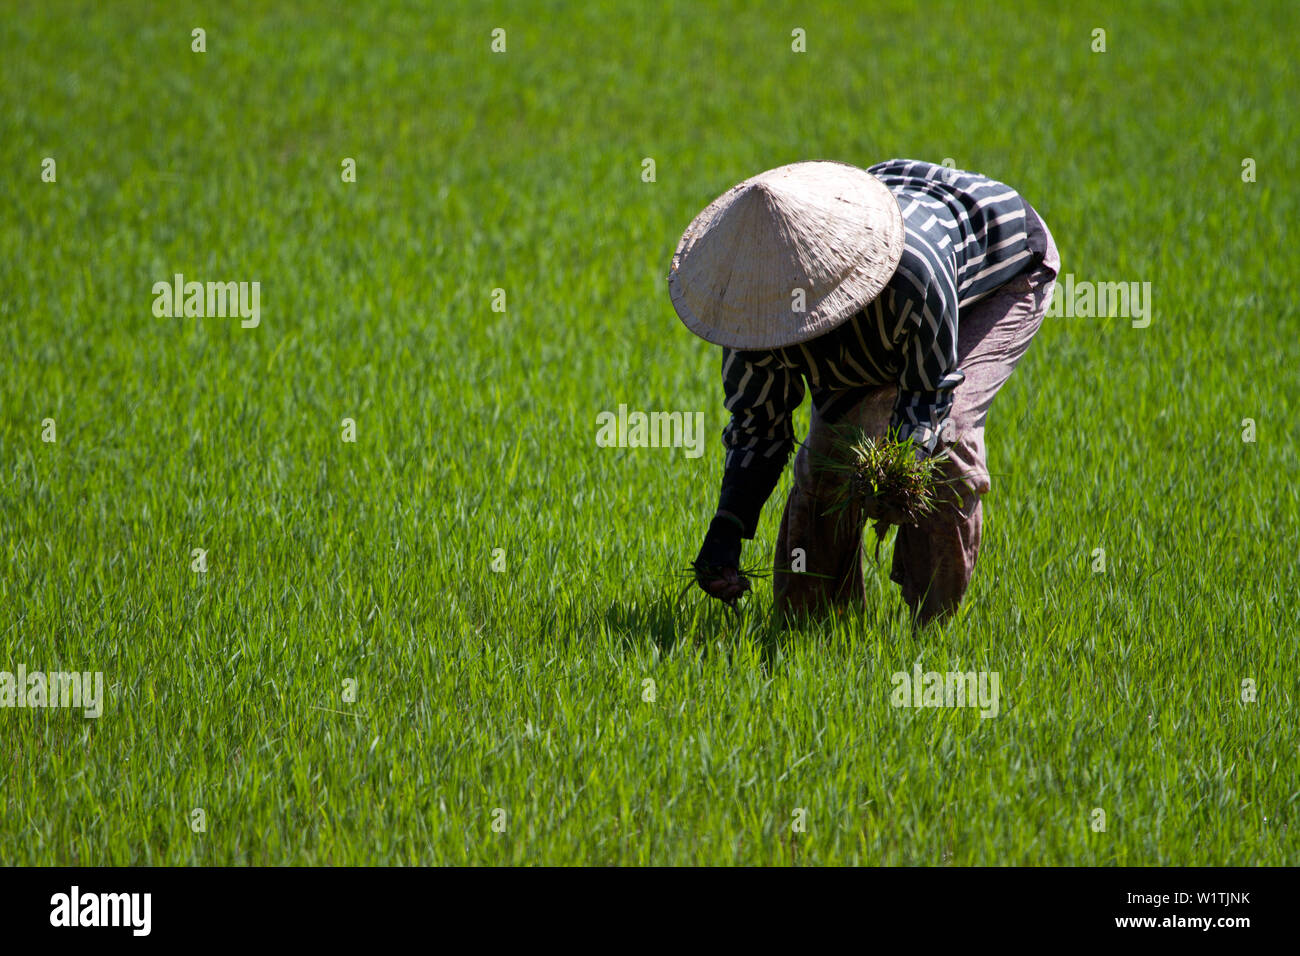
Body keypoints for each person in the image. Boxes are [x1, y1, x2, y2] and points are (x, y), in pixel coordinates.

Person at [668, 159, 1059, 624]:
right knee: (826, 465)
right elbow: (759, 428)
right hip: (886, 285)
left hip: (999, 274)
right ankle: (812, 628)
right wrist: (728, 524)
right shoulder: (751, 322)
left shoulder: (912, 280)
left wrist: (902, 469)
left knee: (948, 448)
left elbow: (927, 398)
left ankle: (932, 631)